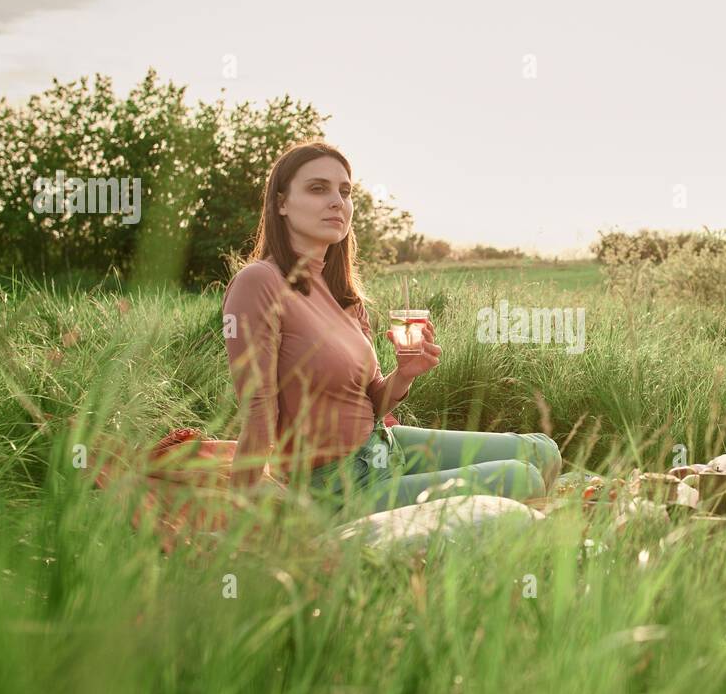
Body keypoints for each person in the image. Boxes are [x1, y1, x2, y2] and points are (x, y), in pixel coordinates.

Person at [222, 140, 561, 519]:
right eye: (318, 188)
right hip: (339, 486)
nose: (337, 201)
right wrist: (241, 514)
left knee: (542, 450)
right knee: (522, 478)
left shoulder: (345, 296)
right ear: (281, 203)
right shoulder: (260, 282)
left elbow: (372, 402)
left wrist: (405, 374)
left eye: (345, 191)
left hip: (385, 447)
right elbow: (258, 408)